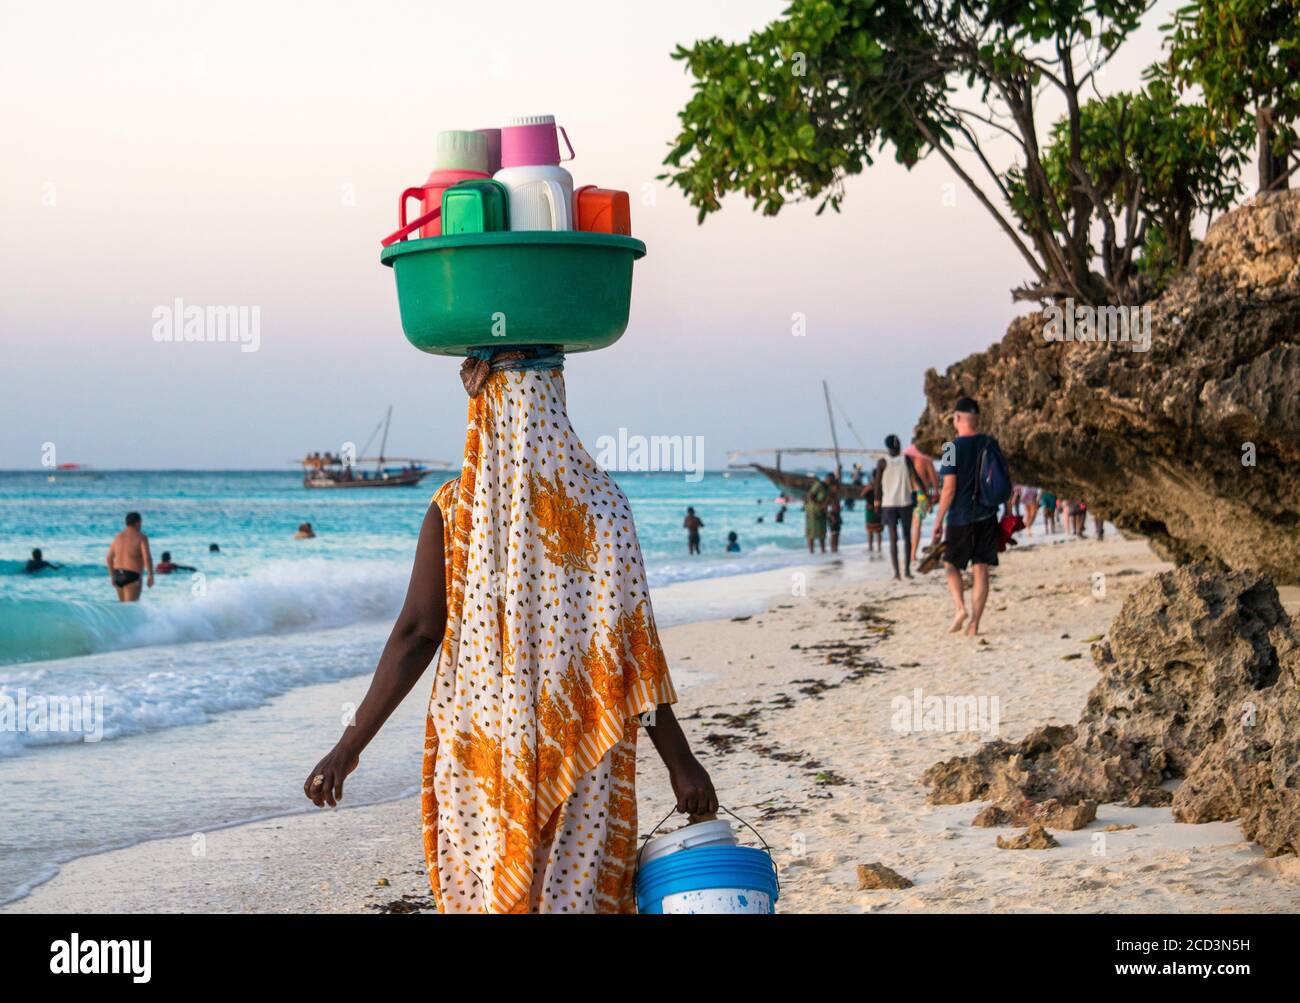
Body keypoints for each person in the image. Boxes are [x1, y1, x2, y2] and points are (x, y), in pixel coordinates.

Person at [302, 345, 715, 914]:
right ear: (557, 401)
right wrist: (680, 761)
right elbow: (632, 652)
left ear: (482, 410)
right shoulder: (606, 507)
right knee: (573, 898)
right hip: (583, 754)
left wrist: (349, 746)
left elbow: (417, 634)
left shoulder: (455, 508)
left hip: (479, 752)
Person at [930, 398, 1004, 636]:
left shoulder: (950, 448)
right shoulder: (990, 443)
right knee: (980, 569)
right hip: (987, 515)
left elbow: (948, 488)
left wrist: (938, 520)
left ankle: (960, 608)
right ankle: (974, 625)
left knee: (951, 564)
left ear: (958, 418)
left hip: (960, 517)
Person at [875, 434, 922, 580]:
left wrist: (876, 502)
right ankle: (907, 571)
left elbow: (877, 484)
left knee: (893, 538)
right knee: (907, 537)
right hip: (905, 503)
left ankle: (897, 573)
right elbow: (916, 477)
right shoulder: (906, 460)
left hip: (889, 504)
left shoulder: (882, 462)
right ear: (899, 445)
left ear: (887, 447)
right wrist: (925, 492)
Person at [903, 442, 940, 565]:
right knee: (917, 525)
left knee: (907, 525)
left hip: (907, 494)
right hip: (921, 495)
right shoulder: (926, 460)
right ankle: (913, 555)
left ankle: (908, 553)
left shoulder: (906, 457)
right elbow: (934, 479)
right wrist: (935, 494)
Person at [107, 511, 154, 602]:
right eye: (140, 522)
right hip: (132, 576)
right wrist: (150, 575)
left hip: (118, 575)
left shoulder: (118, 537)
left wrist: (112, 577)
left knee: (123, 608)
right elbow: (147, 558)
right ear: (137, 523)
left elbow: (109, 558)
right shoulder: (141, 537)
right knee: (131, 607)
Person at [805, 477, 829, 554]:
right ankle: (811, 552)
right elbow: (810, 495)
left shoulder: (827, 488)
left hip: (821, 512)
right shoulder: (818, 485)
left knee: (822, 531)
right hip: (813, 511)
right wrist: (819, 504)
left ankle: (823, 550)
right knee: (811, 532)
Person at [824, 473, 843, 554]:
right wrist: (830, 516)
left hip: (836, 515)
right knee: (834, 534)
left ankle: (835, 550)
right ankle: (833, 550)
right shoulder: (830, 496)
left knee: (836, 534)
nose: (837, 488)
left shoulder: (835, 495)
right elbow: (825, 507)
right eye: (836, 487)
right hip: (832, 516)